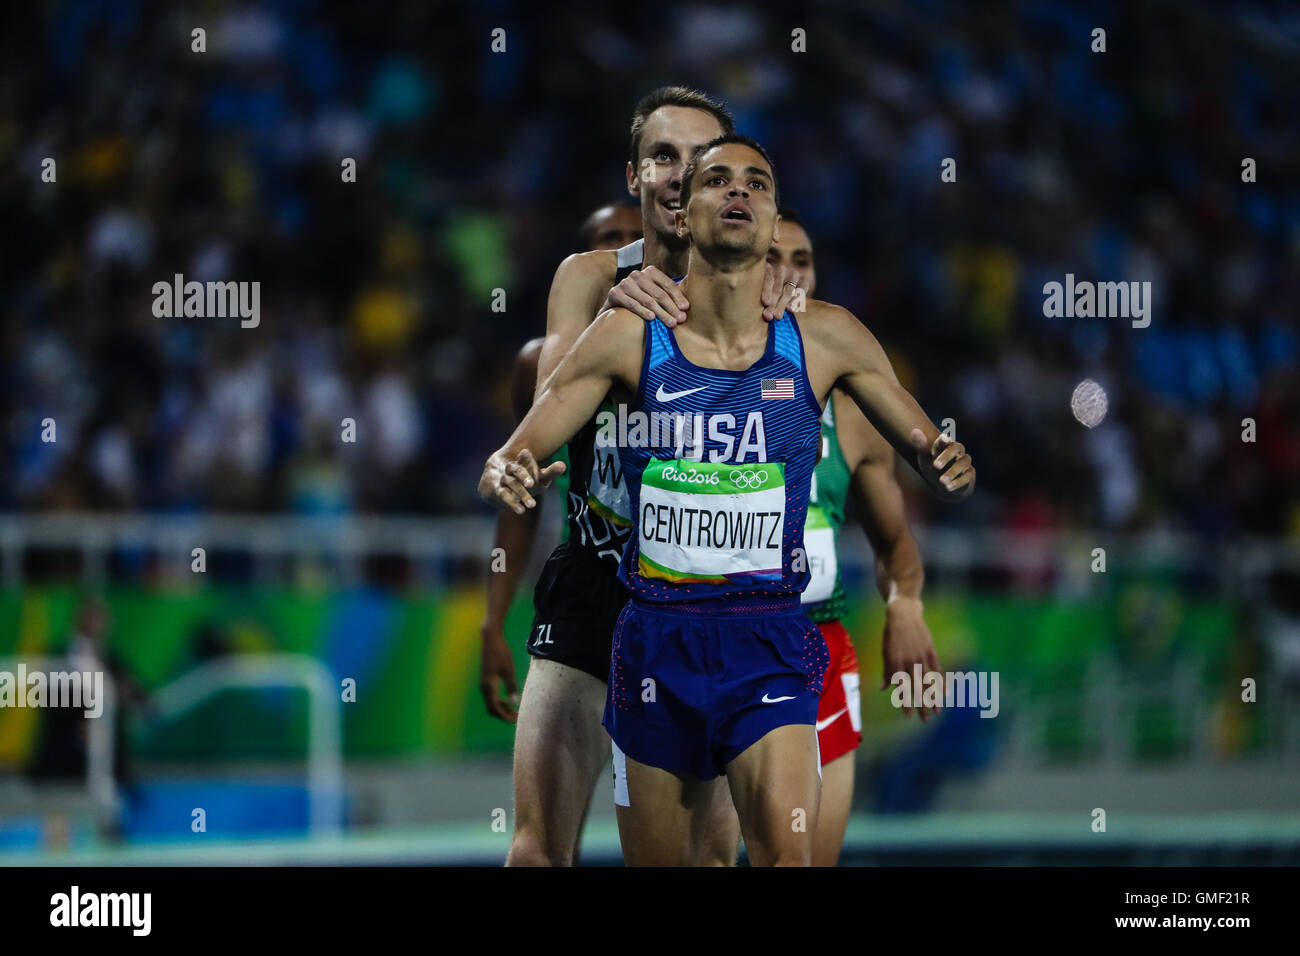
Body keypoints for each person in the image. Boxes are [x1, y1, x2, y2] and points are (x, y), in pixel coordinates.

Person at [480, 135, 975, 865]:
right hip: (652, 640)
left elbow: (925, 443)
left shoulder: (828, 338)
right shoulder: (626, 337)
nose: (738, 192)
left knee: (789, 857)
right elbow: (519, 448)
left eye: (757, 183)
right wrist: (505, 469)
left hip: (770, 638)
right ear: (686, 211)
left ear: (776, 223)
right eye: (717, 180)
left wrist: (944, 462)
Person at [481, 88, 803, 867]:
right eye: (663, 156)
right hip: (595, 592)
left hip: (709, 602)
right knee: (533, 855)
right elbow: (555, 407)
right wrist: (620, 315)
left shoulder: (765, 295)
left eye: (701, 162)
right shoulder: (590, 279)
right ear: (636, 174)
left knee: (706, 860)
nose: (678, 174)